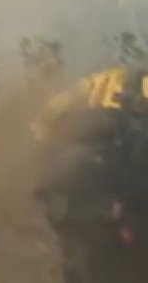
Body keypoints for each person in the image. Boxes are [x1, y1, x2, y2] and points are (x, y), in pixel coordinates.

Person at [30, 64, 148, 283]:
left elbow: (39, 128)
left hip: (66, 198)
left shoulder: (91, 84)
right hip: (120, 203)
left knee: (79, 262)